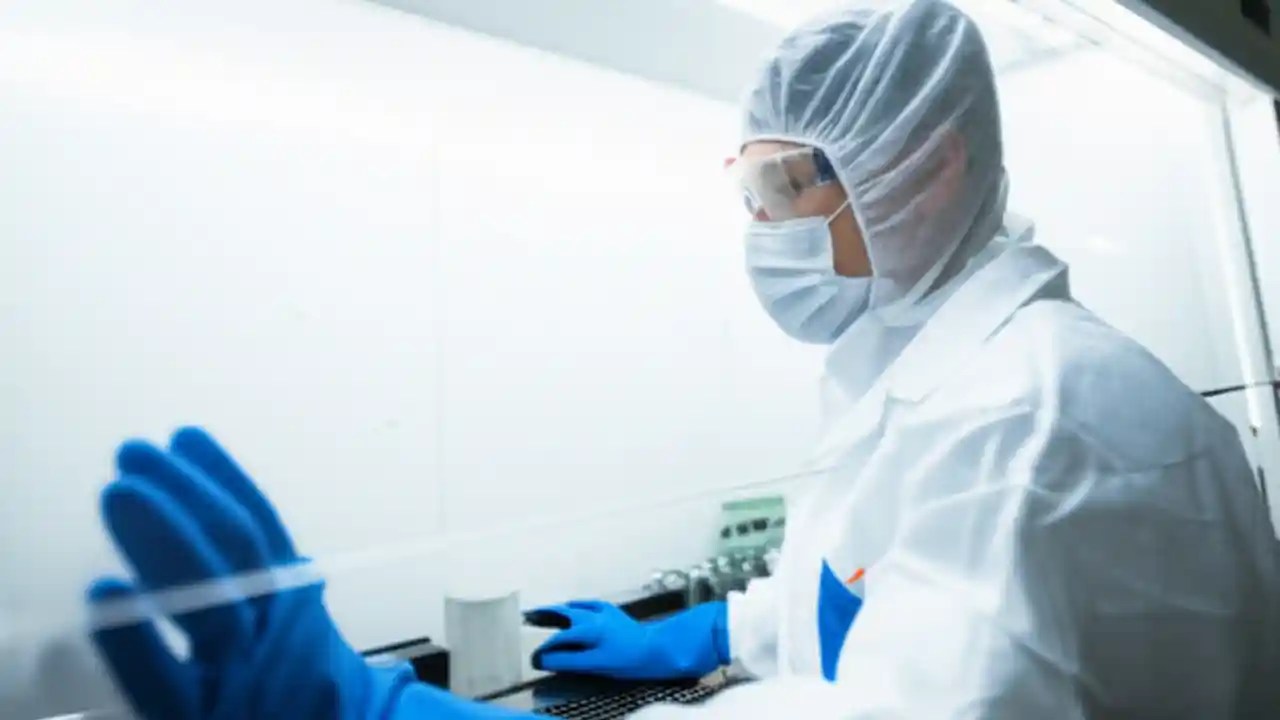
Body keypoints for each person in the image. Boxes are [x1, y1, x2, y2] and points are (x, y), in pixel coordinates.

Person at [88, 0, 1280, 718]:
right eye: (751, 189)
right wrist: (714, 635)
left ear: (930, 167)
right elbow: (874, 606)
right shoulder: (945, 385)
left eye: (780, 185)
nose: (759, 230)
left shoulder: (1030, 419)